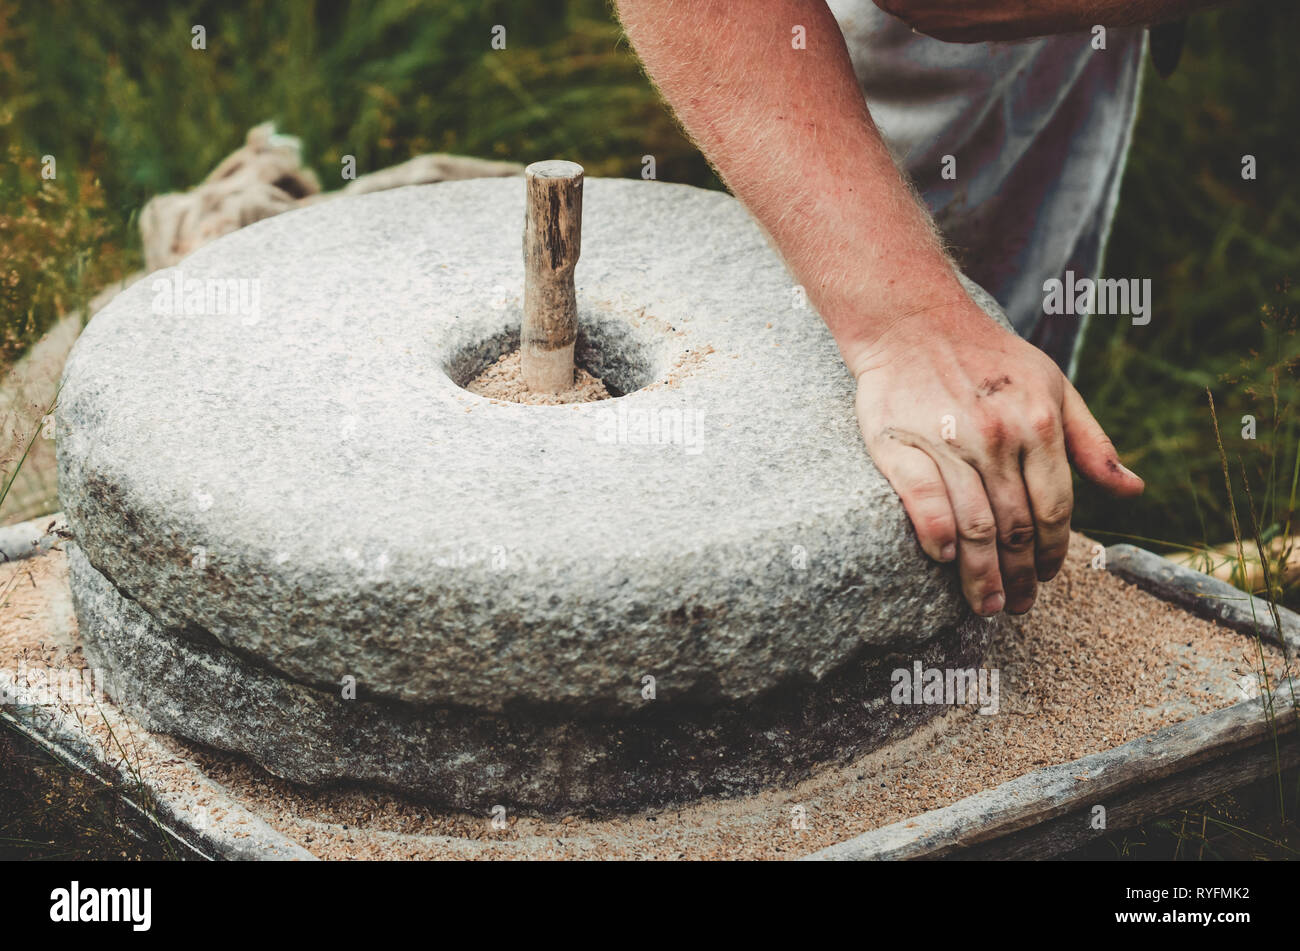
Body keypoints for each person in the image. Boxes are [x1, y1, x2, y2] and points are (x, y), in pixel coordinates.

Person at [613, 1, 1221, 616]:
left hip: (1074, 42)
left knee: (1004, 357)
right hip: (834, 33)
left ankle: (1000, 477)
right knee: (855, 392)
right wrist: (906, 319)